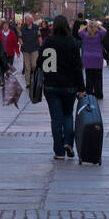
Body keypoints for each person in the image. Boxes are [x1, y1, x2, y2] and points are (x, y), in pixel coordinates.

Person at [37, 15, 85, 160]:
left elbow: (40, 63)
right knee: (68, 115)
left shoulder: (48, 42)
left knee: (56, 119)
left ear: (54, 26)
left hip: (51, 85)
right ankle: (68, 143)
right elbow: (78, 67)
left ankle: (59, 151)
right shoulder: (72, 43)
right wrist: (81, 87)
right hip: (69, 85)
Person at [78, 19, 107, 99]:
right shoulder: (99, 34)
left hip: (88, 57)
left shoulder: (85, 35)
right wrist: (98, 25)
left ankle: (89, 92)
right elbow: (105, 30)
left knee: (89, 77)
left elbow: (79, 31)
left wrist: (87, 25)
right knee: (98, 77)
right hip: (98, 57)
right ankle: (99, 94)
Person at [19, 13, 41, 84]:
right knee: (27, 66)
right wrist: (22, 44)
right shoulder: (22, 28)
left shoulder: (36, 27)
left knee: (34, 64)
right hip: (26, 49)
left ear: (31, 20)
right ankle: (28, 83)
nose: (27, 21)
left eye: (28, 19)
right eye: (26, 20)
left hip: (34, 48)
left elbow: (39, 37)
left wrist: (41, 46)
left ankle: (34, 78)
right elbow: (19, 38)